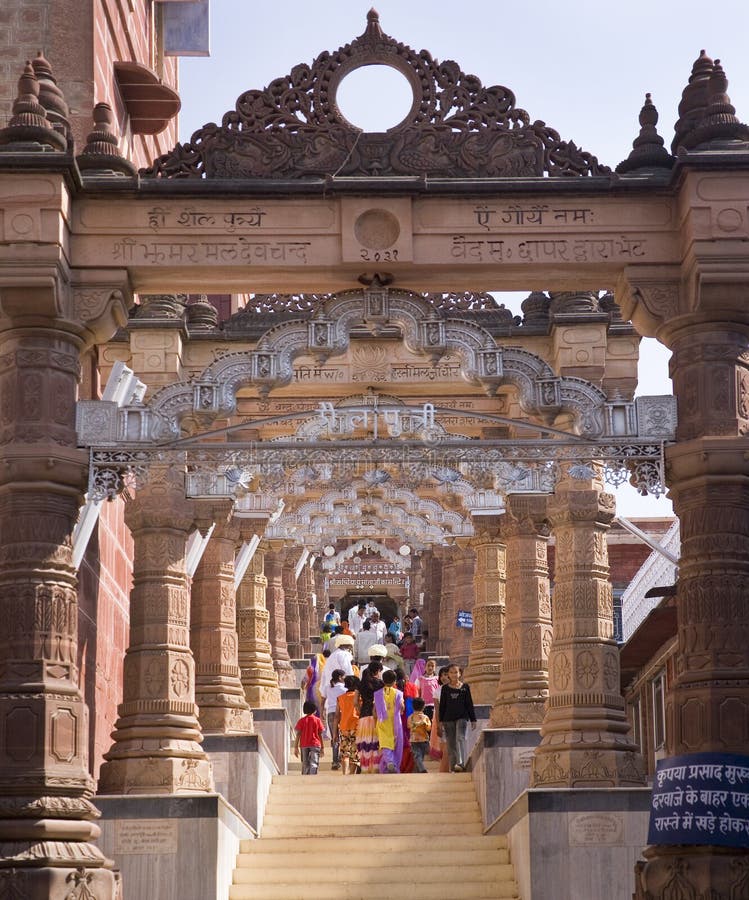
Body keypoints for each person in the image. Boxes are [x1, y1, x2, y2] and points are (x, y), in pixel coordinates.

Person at [438, 664, 477, 772]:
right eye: (451, 672)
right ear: (448, 675)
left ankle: (460, 763)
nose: (454, 674)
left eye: (456, 672)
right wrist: (440, 721)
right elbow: (442, 706)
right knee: (451, 743)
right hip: (448, 719)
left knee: (460, 738)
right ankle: (454, 767)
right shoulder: (445, 689)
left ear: (460, 674)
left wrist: (473, 719)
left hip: (462, 717)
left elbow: (469, 703)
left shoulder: (465, 687)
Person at [355, 658, 384, 774]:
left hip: (364, 716)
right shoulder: (380, 684)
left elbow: (355, 702)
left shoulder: (360, 684)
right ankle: (376, 767)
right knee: (376, 743)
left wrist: (359, 710)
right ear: (377, 671)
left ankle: (365, 768)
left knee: (365, 743)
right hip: (377, 716)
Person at [374, 669, 404, 774]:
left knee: (385, 744)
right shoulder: (399, 693)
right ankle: (393, 764)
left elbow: (374, 711)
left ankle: (389, 762)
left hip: (382, 722)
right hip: (395, 722)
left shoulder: (377, 694)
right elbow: (402, 708)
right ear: (395, 681)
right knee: (396, 744)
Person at [333, 674, 360, 776]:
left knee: (345, 752)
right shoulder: (358, 697)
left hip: (344, 727)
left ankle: (344, 773)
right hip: (356, 727)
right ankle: (352, 774)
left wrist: (335, 732)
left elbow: (336, 716)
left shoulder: (340, 698)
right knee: (354, 752)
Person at [323, 668, 347, 770]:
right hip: (342, 713)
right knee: (343, 736)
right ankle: (343, 758)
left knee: (334, 737)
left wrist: (322, 712)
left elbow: (322, 700)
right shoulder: (344, 689)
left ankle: (335, 761)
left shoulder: (327, 687)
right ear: (340, 677)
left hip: (331, 713)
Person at [294, 700, 325, 775]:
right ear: (314, 710)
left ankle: (305, 777)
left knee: (305, 763)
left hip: (304, 744)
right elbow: (320, 734)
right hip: (315, 744)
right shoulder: (317, 720)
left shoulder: (301, 721)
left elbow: (298, 734)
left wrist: (295, 747)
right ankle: (312, 776)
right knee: (314, 762)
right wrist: (322, 747)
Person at [430, 666, 450, 771]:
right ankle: (444, 770)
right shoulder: (437, 691)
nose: (443, 677)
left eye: (446, 674)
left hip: (456, 721)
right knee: (445, 746)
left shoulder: (459, 688)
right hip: (443, 721)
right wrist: (439, 725)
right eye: (441, 675)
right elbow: (437, 710)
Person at [408, 697, 432, 773]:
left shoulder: (410, 717)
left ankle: (419, 769)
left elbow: (408, 726)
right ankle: (422, 769)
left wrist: (415, 726)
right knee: (420, 756)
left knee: (418, 756)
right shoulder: (425, 717)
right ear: (423, 707)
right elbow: (428, 728)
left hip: (414, 740)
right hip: (424, 740)